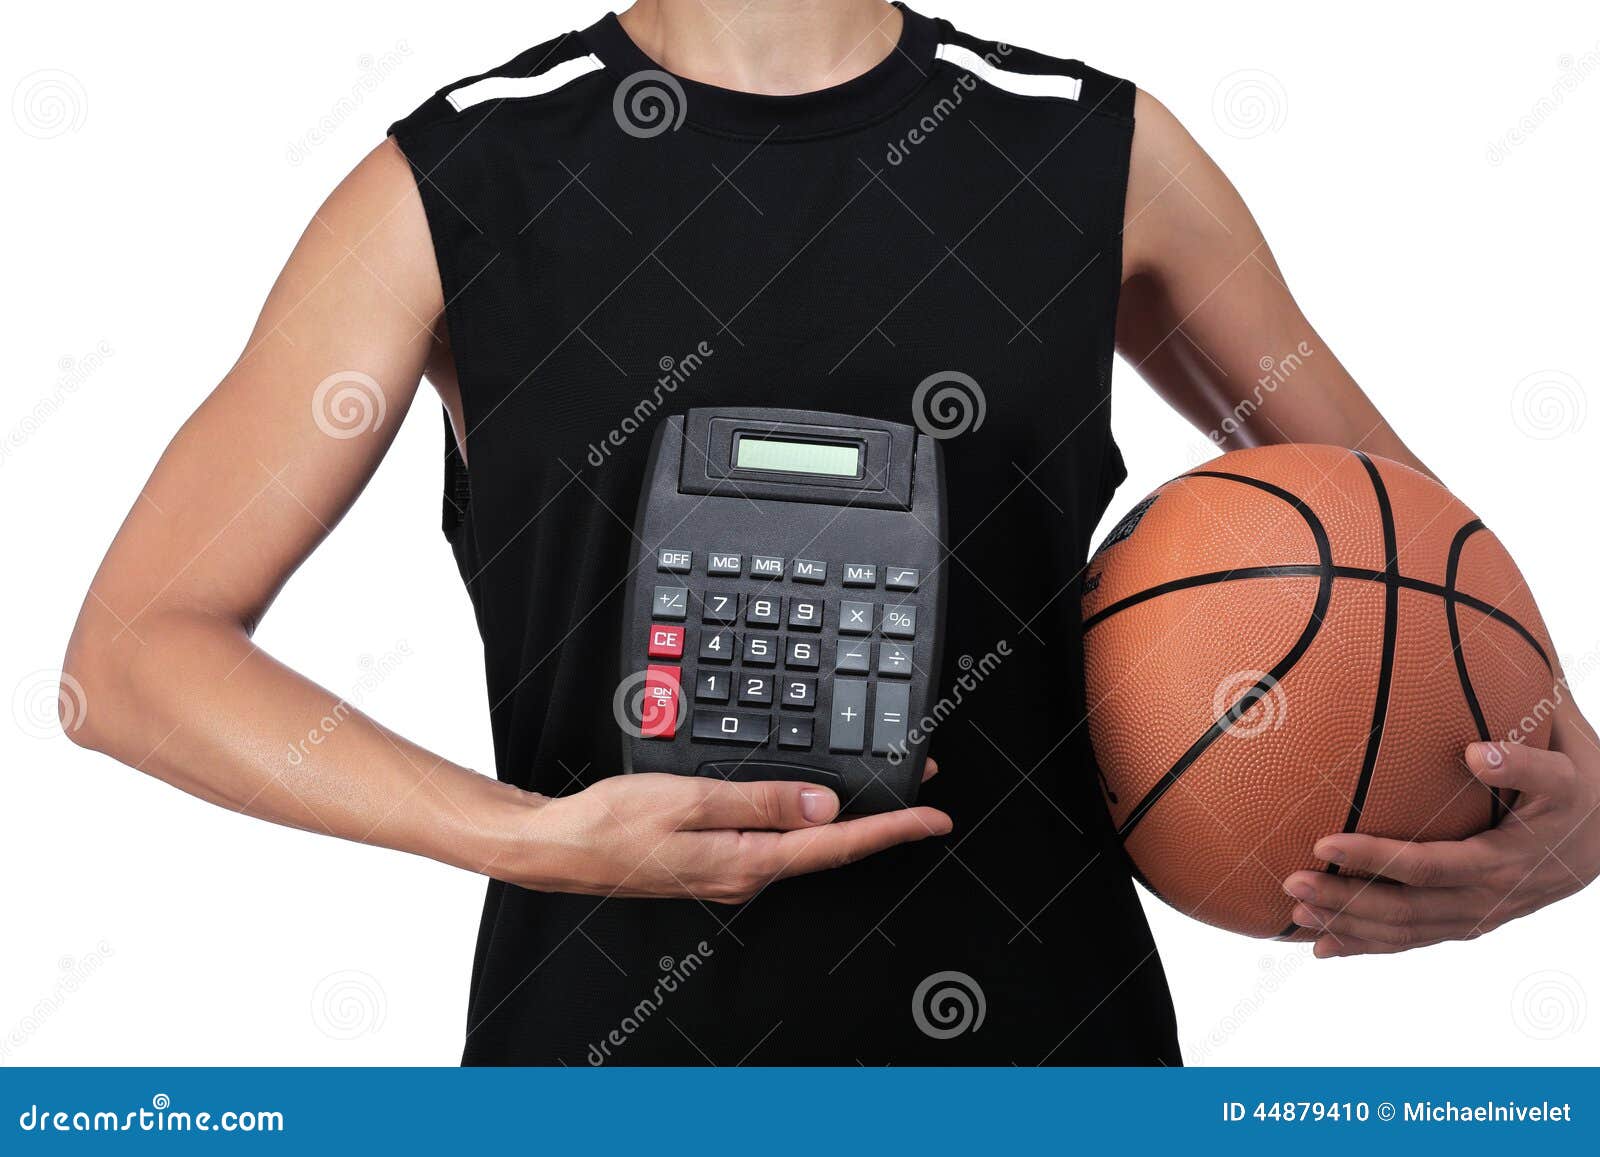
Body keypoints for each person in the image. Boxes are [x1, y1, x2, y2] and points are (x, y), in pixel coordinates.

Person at [62, 0, 1600, 1065]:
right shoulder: (456, 180)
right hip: (600, 1062)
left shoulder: (1096, 153)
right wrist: (528, 837)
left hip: (1045, 1056)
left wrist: (1567, 816)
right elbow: (132, 658)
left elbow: (1423, 582)